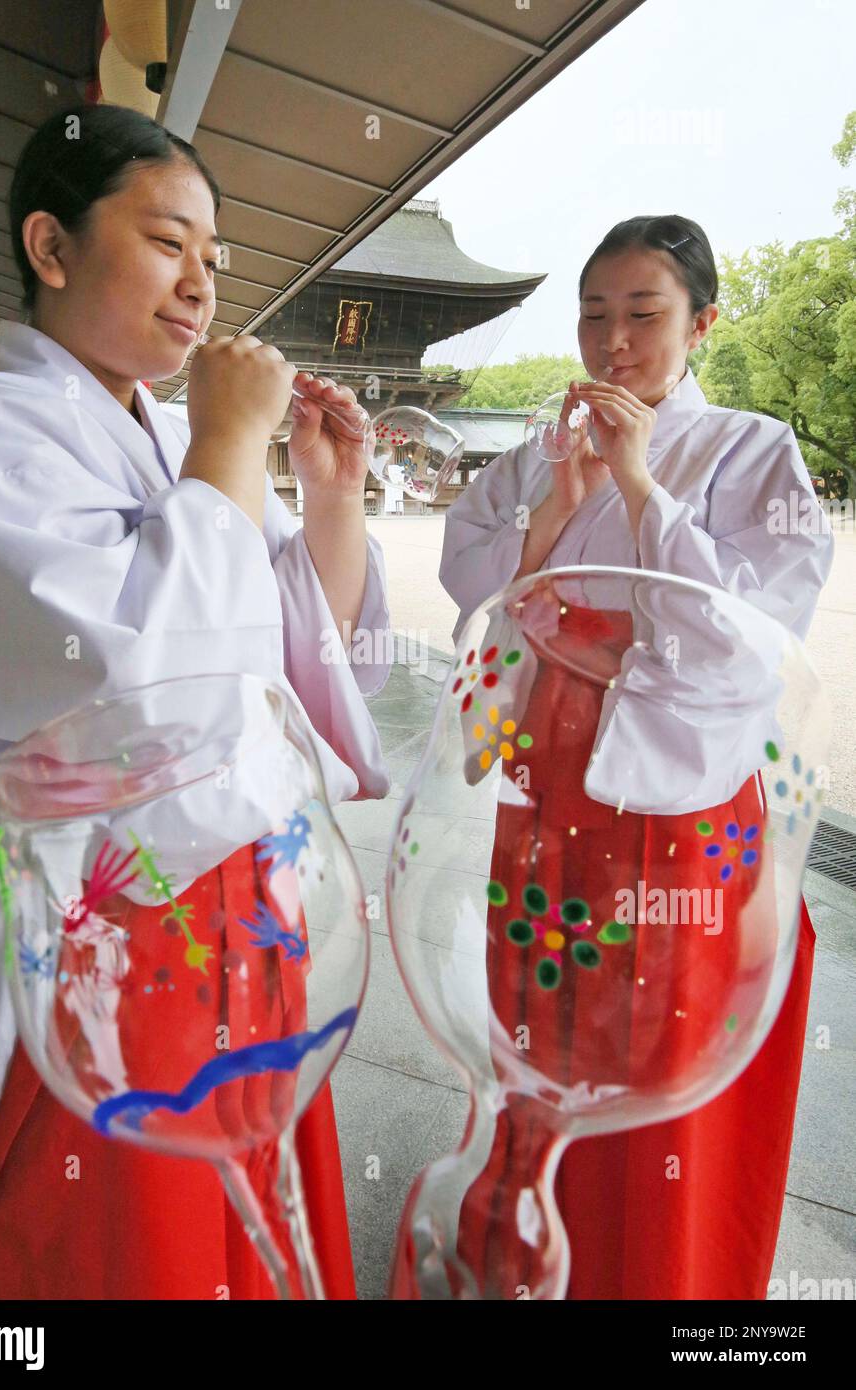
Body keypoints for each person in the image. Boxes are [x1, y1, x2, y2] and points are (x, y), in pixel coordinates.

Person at [0, 104, 392, 1300]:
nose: (200, 287)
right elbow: (144, 694)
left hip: (232, 913)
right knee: (100, 1254)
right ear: (52, 248)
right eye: (169, 242)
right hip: (73, 911)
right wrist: (226, 446)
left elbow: (298, 665)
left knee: (223, 1228)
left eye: (213, 260)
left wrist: (326, 498)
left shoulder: (175, 436)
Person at [434, 215, 834, 1299]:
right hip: (548, 786)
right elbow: (473, 588)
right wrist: (557, 506)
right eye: (595, 314)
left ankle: (658, 1276)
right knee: (539, 1030)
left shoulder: (754, 451)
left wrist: (643, 483)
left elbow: (745, 643)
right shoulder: (535, 451)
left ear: (701, 323)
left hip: (675, 807)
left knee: (660, 1054)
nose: (614, 341)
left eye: (644, 314)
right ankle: (527, 1258)